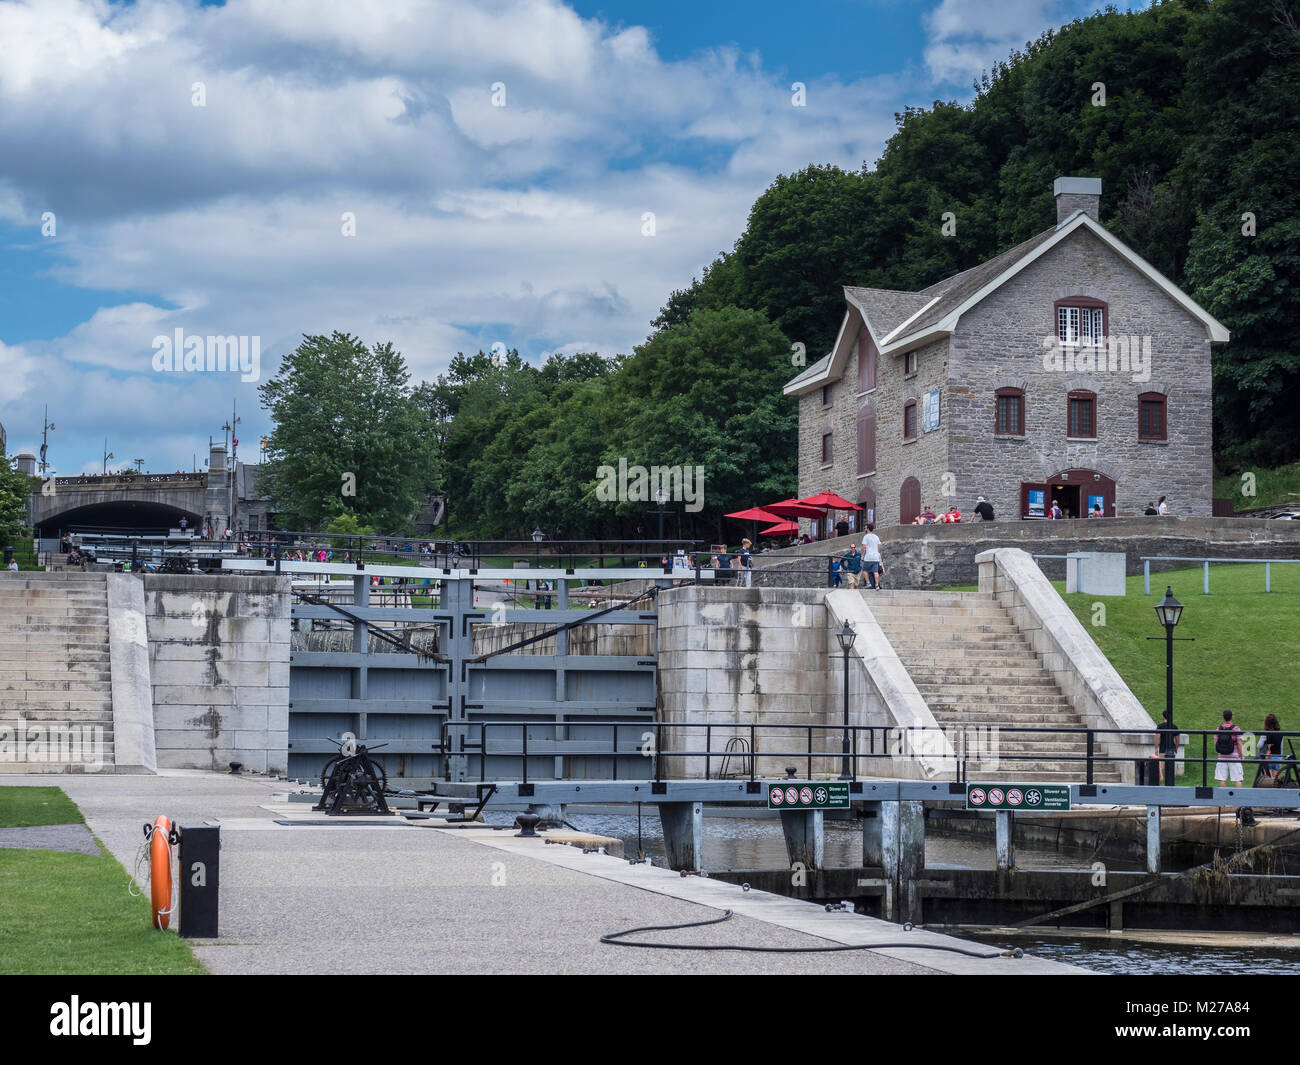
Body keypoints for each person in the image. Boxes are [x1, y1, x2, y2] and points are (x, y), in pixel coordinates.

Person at [1213, 709, 1244, 785]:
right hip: (1234, 757)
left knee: (1222, 779)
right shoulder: (1236, 729)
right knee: (1238, 779)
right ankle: (1238, 797)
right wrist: (1242, 755)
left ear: (1223, 717)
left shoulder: (1218, 729)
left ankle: (1223, 797)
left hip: (1222, 756)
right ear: (1232, 717)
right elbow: (1239, 743)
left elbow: (1215, 743)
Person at [1155, 708, 1180, 786]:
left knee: (1163, 767)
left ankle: (1166, 782)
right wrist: (1176, 748)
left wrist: (1156, 748)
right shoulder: (1174, 726)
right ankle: (1170, 782)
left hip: (1162, 749)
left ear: (1163, 717)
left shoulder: (1160, 726)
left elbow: (1157, 738)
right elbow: (1177, 740)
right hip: (1172, 749)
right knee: (1170, 766)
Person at [1260, 713, 1284, 783]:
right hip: (1278, 757)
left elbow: (1259, 745)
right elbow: (1281, 747)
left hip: (1268, 757)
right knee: (1276, 781)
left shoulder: (1265, 733)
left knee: (1267, 781)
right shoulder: (1280, 733)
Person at [860, 522, 883, 590]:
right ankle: (877, 585)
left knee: (864, 570)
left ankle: (868, 583)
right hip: (876, 557)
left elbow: (864, 547)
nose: (864, 529)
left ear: (867, 529)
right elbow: (879, 546)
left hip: (868, 557)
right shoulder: (876, 537)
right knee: (875, 572)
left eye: (865, 528)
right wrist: (877, 554)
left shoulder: (866, 536)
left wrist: (862, 555)